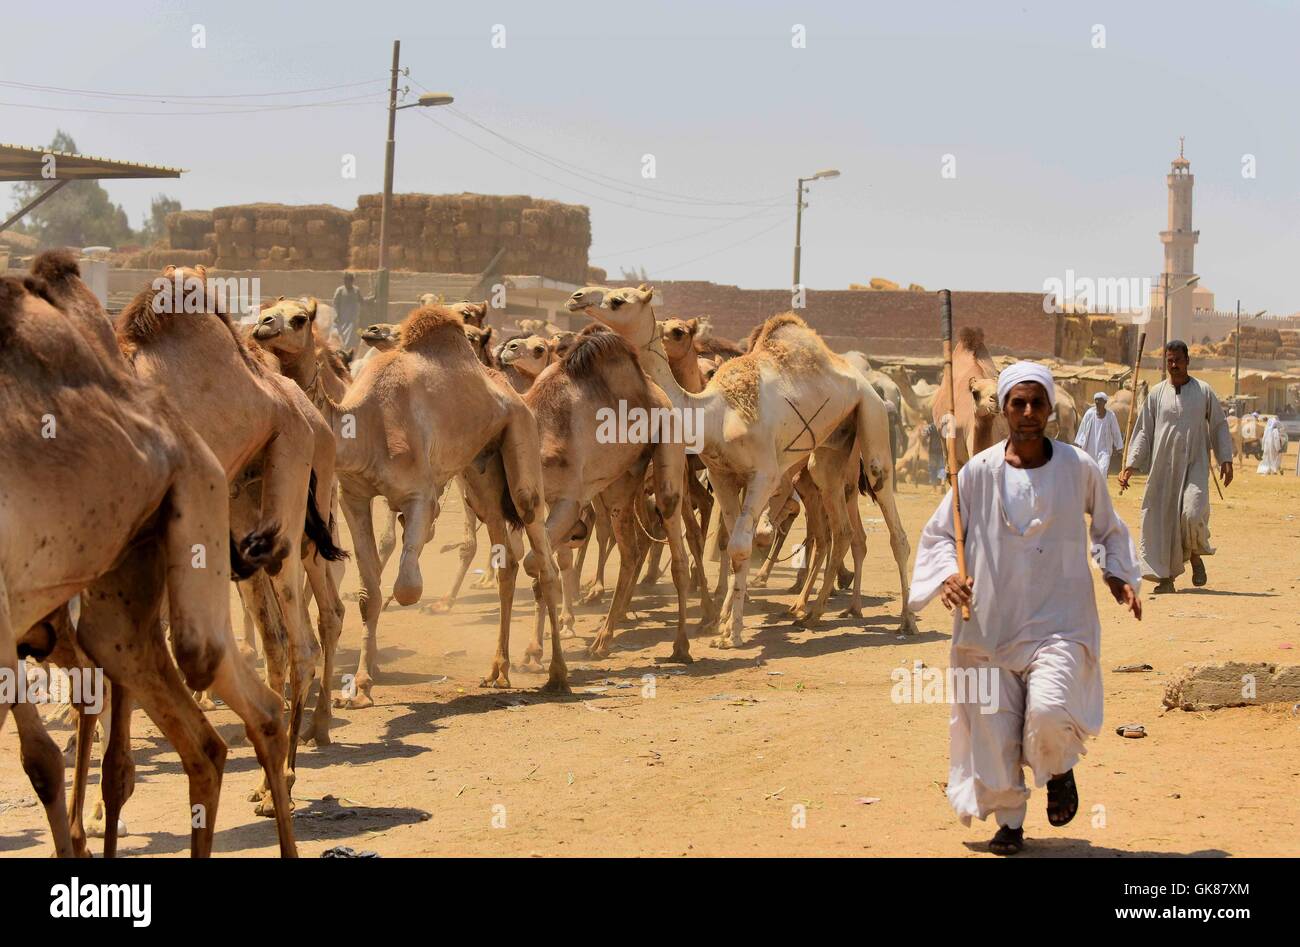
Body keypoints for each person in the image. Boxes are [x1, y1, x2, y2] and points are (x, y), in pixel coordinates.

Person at [909, 362, 1142, 856]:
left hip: (1059, 621)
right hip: (989, 626)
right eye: (1019, 402)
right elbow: (940, 536)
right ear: (1006, 410)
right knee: (992, 731)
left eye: (1038, 402)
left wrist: (1117, 574)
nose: (1030, 412)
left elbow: (1107, 528)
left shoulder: (1079, 467)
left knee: (1050, 710)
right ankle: (1011, 820)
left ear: (1051, 407)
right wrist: (947, 577)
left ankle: (1057, 767)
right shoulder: (977, 473)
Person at [1119, 341, 1233, 594]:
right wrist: (1130, 465)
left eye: (1178, 360)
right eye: (1169, 360)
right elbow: (1143, 433)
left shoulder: (1203, 391)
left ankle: (1194, 557)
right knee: (1161, 521)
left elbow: (1218, 425)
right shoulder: (1157, 394)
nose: (1173, 365)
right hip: (1163, 469)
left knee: (1191, 514)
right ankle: (1165, 578)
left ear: (1187, 361)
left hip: (1195, 465)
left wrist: (1226, 458)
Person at [1073, 391, 1124, 475]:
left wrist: (1119, 447)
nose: (1097, 402)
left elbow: (1116, 432)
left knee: (1102, 470)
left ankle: (1100, 488)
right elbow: (1082, 429)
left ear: (1105, 402)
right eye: (1096, 400)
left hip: (1105, 450)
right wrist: (1078, 443)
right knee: (1089, 472)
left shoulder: (1110, 416)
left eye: (1100, 400)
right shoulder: (1089, 413)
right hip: (1089, 449)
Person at [331, 272, 366, 351]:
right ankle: (342, 349)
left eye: (349, 280)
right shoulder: (340, 290)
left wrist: (371, 299)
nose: (347, 282)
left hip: (352, 318)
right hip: (342, 318)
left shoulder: (356, 290)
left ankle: (348, 350)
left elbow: (362, 301)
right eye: (345, 280)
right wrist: (336, 314)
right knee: (340, 335)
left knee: (352, 334)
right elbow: (335, 303)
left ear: (352, 281)